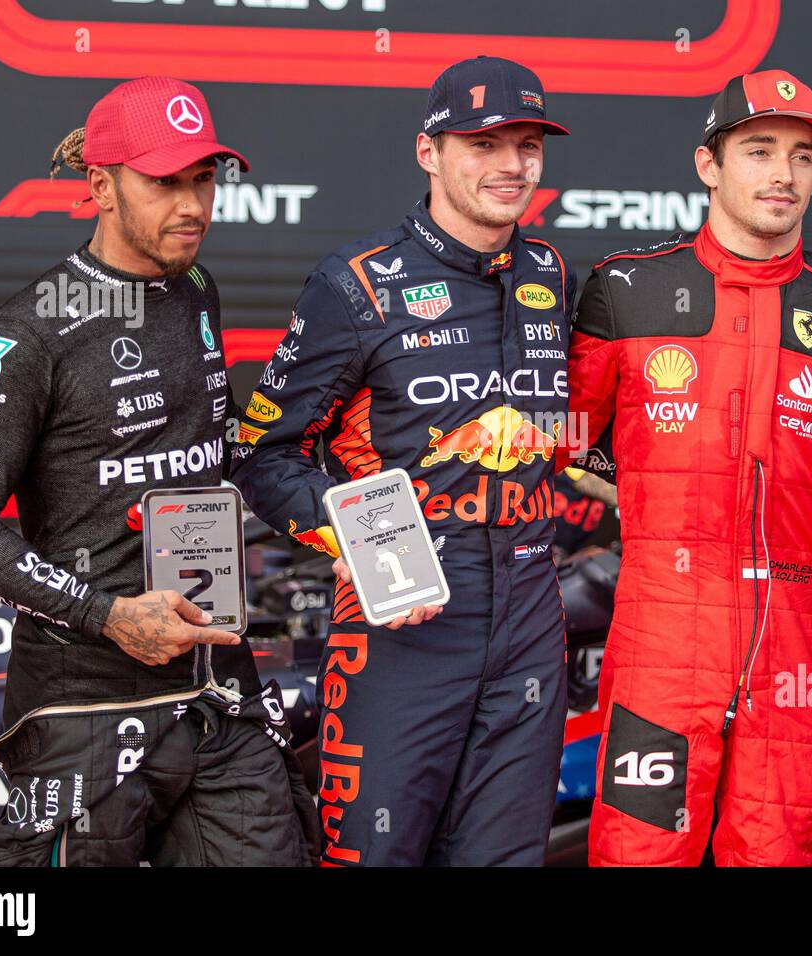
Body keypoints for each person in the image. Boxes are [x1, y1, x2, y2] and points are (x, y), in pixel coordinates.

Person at [0, 76, 319, 866]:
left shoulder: (196, 288)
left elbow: (210, 454)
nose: (193, 205)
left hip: (215, 690)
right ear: (100, 185)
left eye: (203, 179)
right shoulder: (28, 332)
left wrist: (332, 492)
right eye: (165, 181)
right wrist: (110, 615)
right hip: (86, 710)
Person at [230, 56, 575, 866]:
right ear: (429, 151)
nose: (511, 165)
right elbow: (261, 454)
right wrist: (358, 536)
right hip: (400, 625)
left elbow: (577, 431)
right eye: (484, 143)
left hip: (529, 621)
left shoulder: (550, 275)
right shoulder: (355, 285)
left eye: (528, 144)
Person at [563, 69, 812, 865]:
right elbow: (569, 443)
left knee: (781, 852)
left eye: (804, 157)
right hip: (661, 633)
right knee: (639, 854)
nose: (784, 174)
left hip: (794, 638)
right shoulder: (626, 290)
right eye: (760, 150)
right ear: (709, 164)